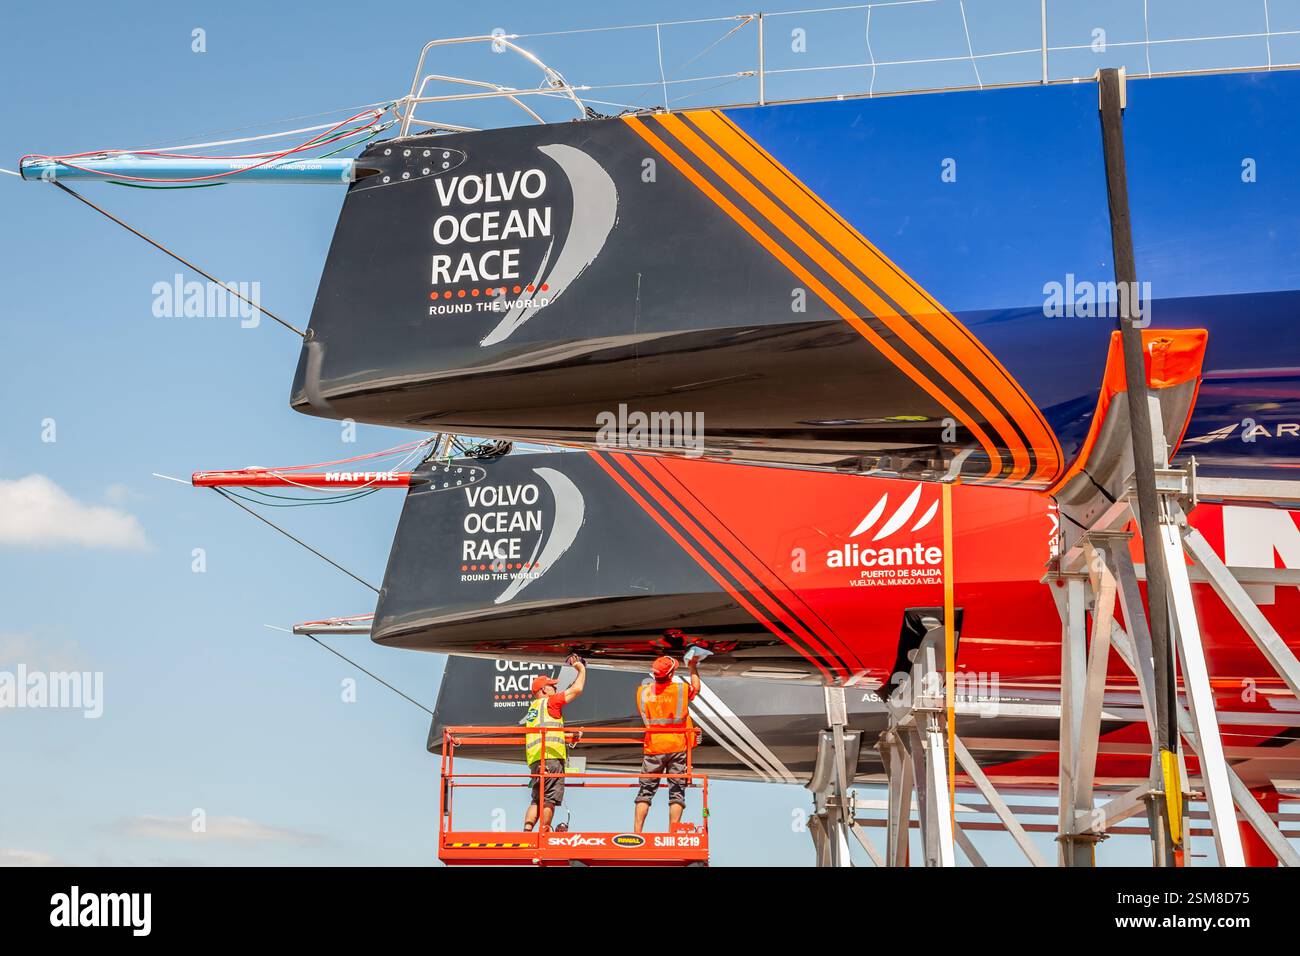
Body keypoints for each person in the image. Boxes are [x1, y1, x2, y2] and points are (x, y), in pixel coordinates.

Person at [633, 654, 701, 833]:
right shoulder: (680, 689)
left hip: (653, 746)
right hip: (677, 745)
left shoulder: (643, 692)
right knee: (677, 791)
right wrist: (693, 666)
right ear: (671, 674)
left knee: (645, 792)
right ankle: (672, 833)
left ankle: (637, 832)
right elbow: (696, 688)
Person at [522, 655, 586, 832]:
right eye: (551, 685)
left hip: (535, 761)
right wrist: (581, 669)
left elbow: (546, 732)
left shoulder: (533, 710)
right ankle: (545, 830)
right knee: (549, 798)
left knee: (536, 799)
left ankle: (527, 831)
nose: (555, 687)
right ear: (543, 690)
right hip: (551, 760)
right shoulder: (551, 702)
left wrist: (566, 737)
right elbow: (577, 689)